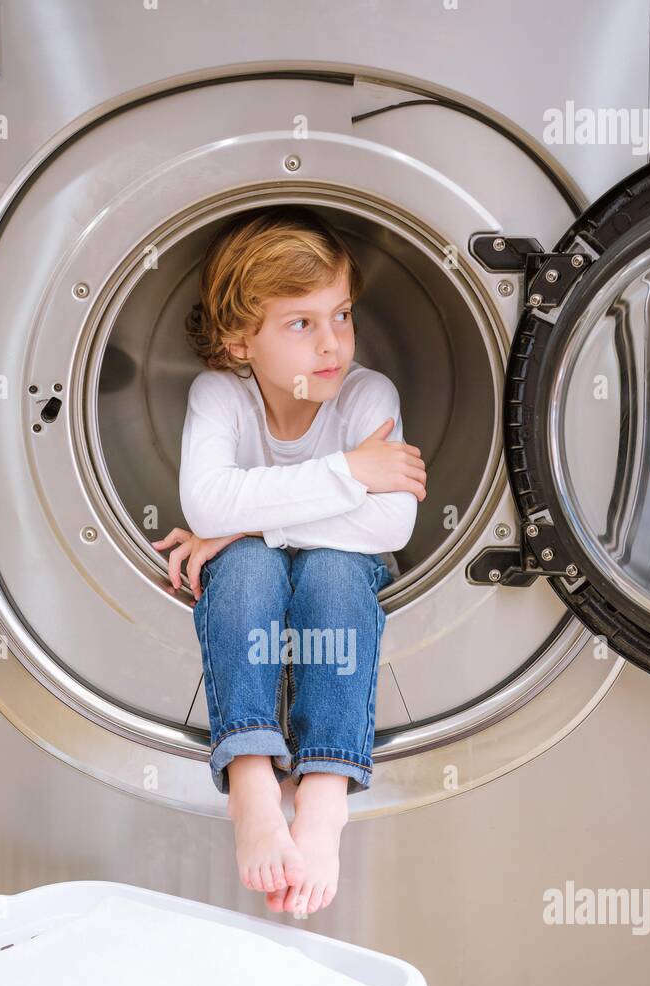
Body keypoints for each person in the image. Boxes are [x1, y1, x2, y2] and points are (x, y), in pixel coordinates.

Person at [154, 208, 426, 916]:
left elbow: (392, 518)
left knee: (328, 571)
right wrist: (346, 472)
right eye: (299, 323)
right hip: (251, 576)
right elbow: (209, 506)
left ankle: (325, 796)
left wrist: (247, 521)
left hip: (341, 578)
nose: (331, 342)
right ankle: (249, 780)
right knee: (244, 570)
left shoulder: (369, 393)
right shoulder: (218, 394)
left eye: (340, 313)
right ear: (240, 340)